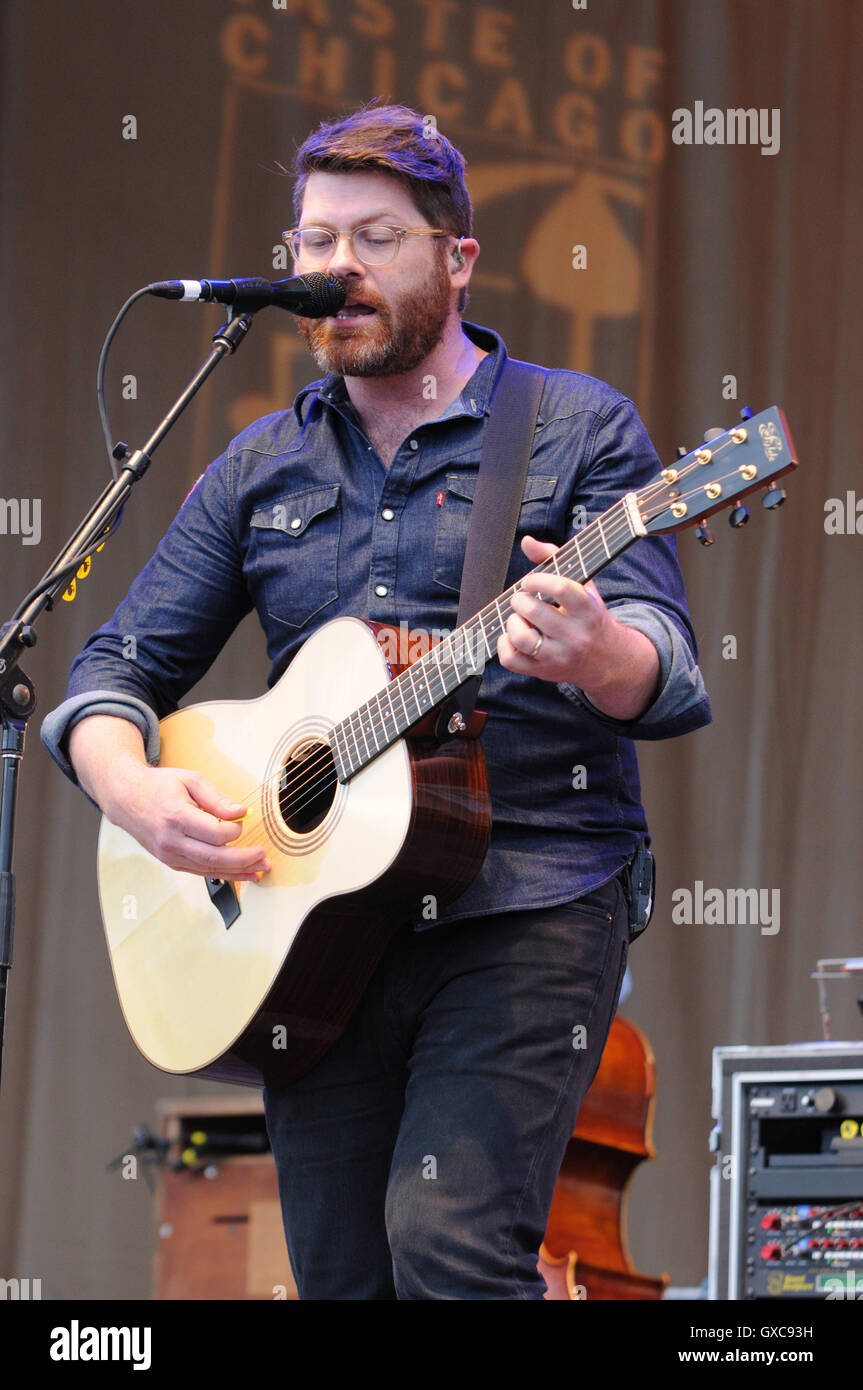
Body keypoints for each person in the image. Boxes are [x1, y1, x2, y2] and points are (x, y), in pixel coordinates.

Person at [42, 101, 711, 1300]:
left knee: (448, 1247)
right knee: (341, 1275)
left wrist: (594, 646)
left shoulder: (571, 431)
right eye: (310, 241)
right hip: (321, 935)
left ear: (456, 260)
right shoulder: (260, 466)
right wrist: (130, 786)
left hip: (530, 891)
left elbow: (664, 668)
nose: (331, 266)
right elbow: (112, 670)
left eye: (375, 237)